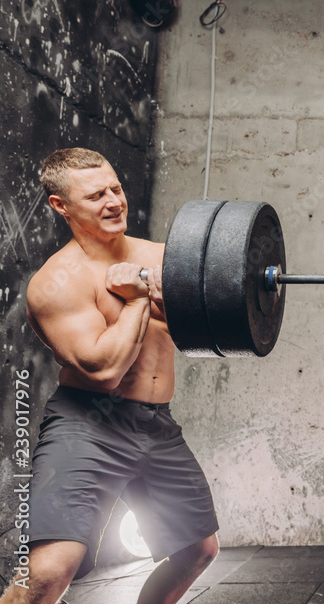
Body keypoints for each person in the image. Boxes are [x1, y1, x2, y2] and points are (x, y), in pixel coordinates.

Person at [1, 149, 219, 604]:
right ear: (61, 206)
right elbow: (104, 371)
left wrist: (197, 295)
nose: (113, 201)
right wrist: (139, 301)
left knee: (198, 550)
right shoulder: (57, 282)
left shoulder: (160, 256)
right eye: (96, 194)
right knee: (49, 570)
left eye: (115, 188)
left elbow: (202, 331)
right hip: (89, 428)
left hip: (156, 424)